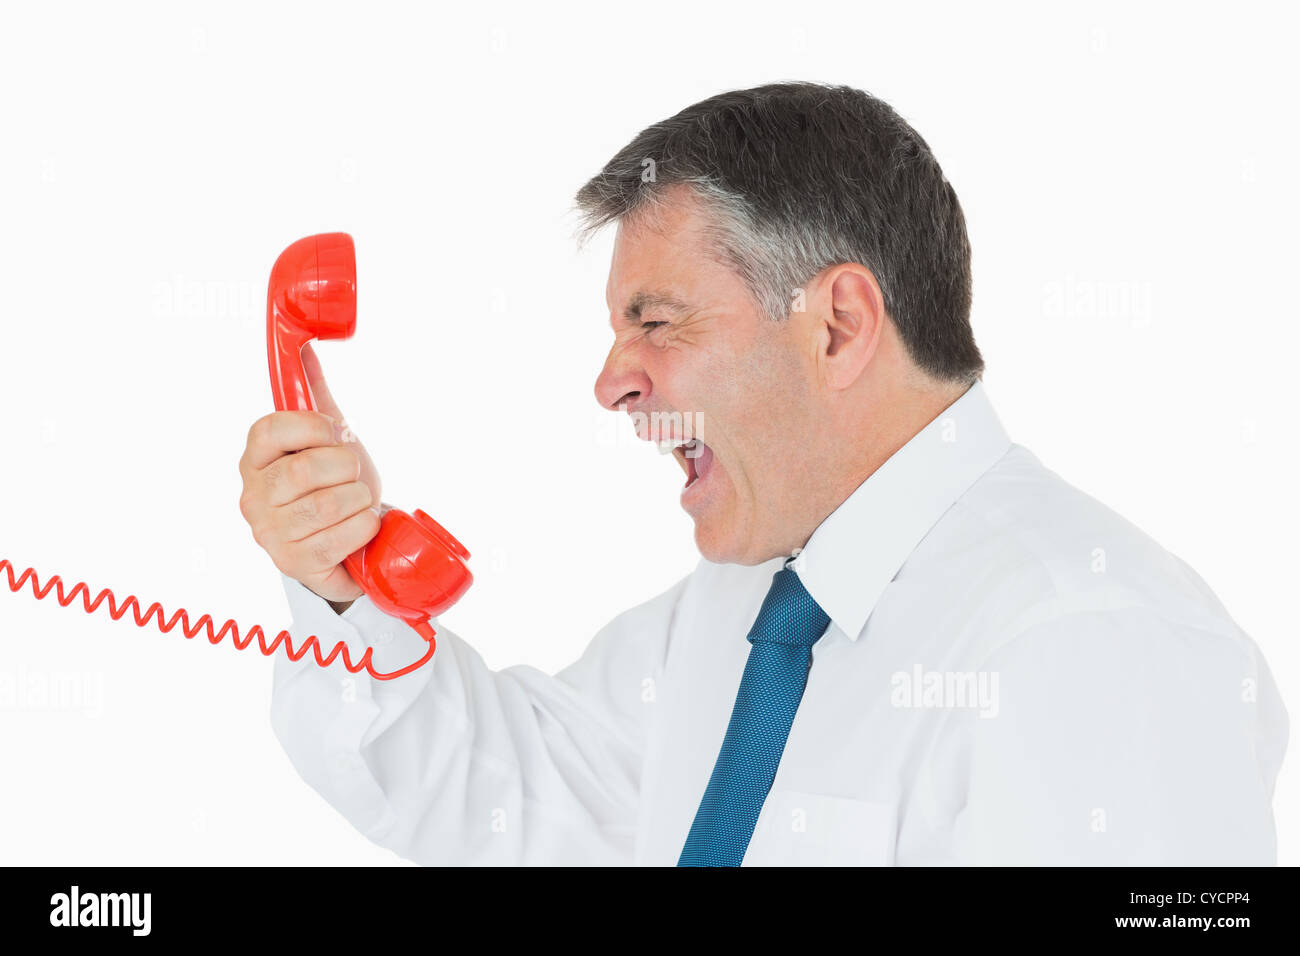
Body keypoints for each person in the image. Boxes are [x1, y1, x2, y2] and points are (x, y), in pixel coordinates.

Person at [237, 82, 1288, 865]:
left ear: (835, 326)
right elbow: (510, 789)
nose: (611, 382)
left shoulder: (1100, 643)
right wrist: (342, 576)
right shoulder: (745, 612)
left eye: (657, 321)